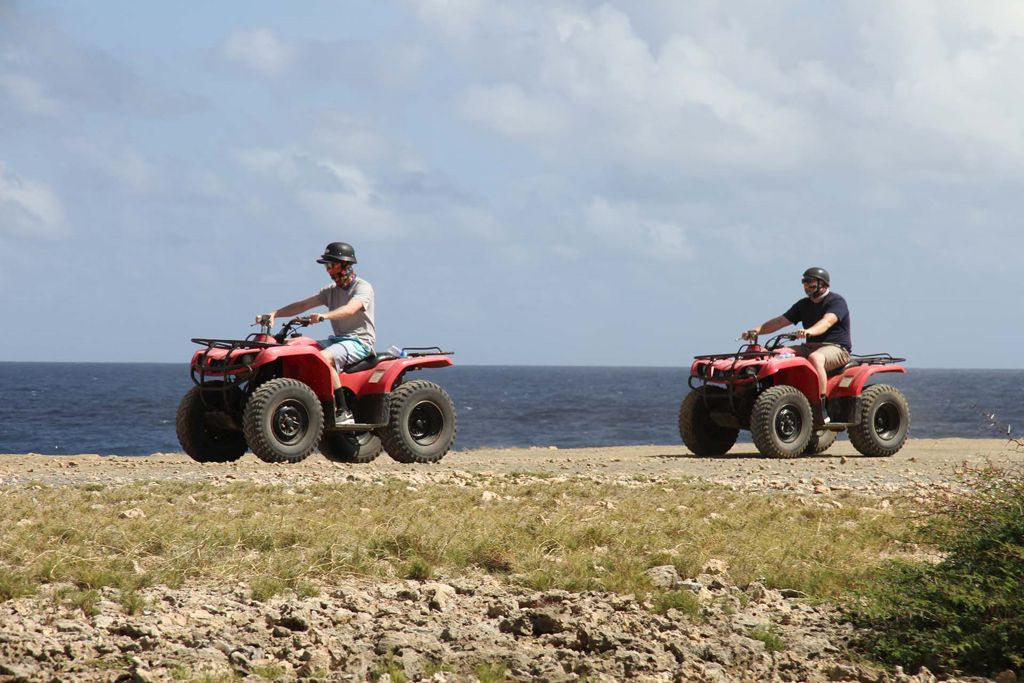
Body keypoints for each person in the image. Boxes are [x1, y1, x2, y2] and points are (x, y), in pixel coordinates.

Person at [257, 242, 375, 424]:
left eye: (331, 265)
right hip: (337, 341)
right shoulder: (330, 291)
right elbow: (303, 305)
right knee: (295, 349)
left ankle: (343, 410)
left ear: (345, 265)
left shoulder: (362, 287)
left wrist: (323, 316)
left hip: (359, 342)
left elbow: (350, 309)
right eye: (326, 266)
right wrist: (275, 313)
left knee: (322, 358)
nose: (328, 270)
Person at [741, 267, 851, 423]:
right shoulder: (803, 305)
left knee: (815, 358)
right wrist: (755, 331)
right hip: (809, 346)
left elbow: (826, 323)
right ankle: (777, 397)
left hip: (836, 348)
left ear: (823, 284)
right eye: (805, 284)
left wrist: (808, 331)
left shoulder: (836, 301)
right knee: (777, 355)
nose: (807, 287)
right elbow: (780, 321)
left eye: (811, 284)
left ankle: (820, 406)